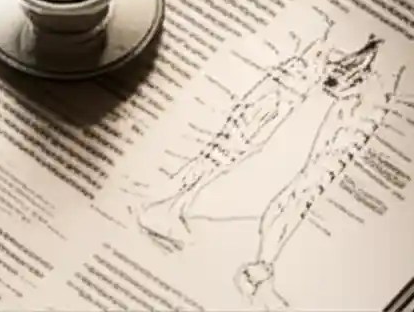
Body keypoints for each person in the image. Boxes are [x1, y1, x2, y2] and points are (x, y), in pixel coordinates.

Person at [137, 30, 396, 306]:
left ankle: (260, 268)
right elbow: (241, 126)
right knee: (228, 164)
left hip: (297, 151)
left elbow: (314, 176)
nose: (344, 75)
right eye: (343, 70)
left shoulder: (353, 105)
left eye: (352, 75)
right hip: (271, 135)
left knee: (284, 198)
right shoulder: (306, 71)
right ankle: (172, 209)